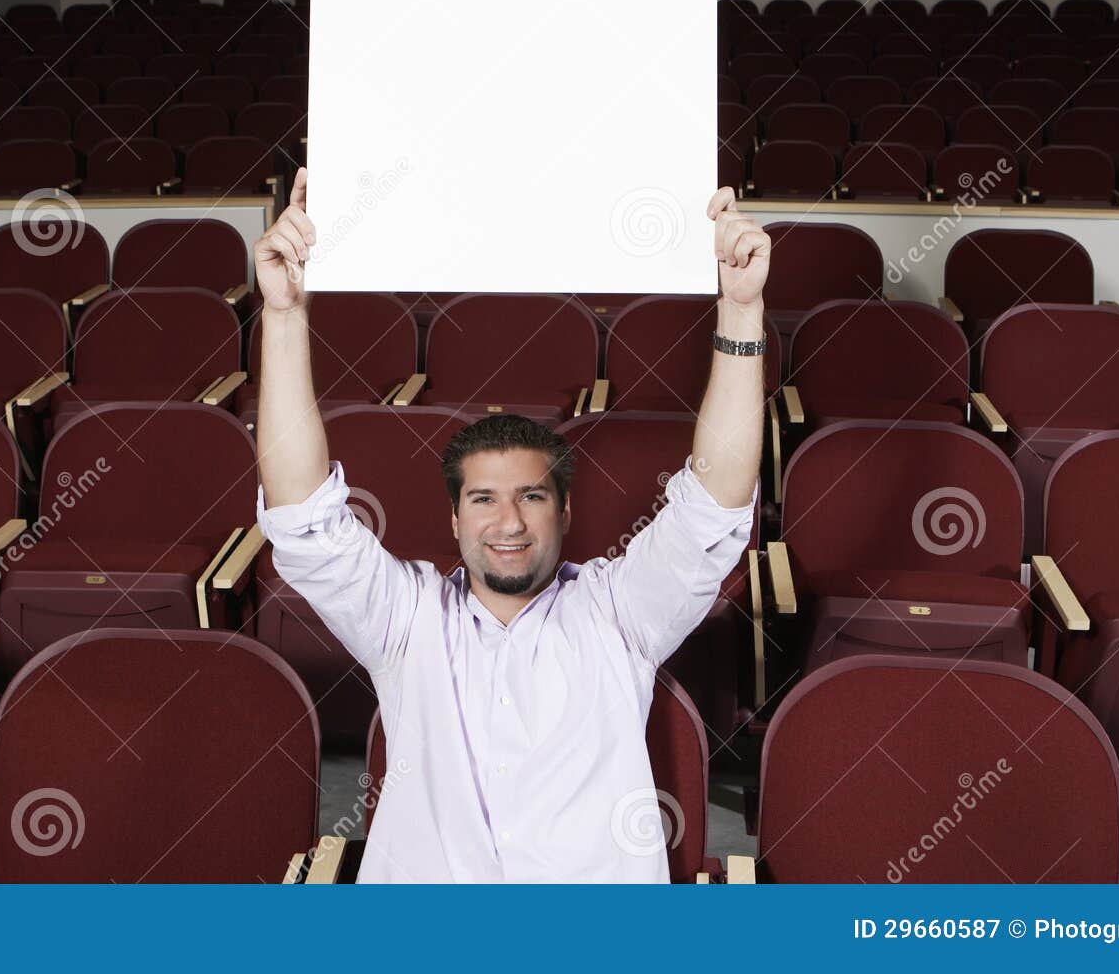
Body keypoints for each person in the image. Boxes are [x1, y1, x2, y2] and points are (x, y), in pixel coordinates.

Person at [254, 167, 769, 882]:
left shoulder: (619, 615)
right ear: (454, 518)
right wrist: (282, 314)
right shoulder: (405, 623)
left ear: (565, 512)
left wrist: (741, 310)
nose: (508, 522)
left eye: (531, 497)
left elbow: (714, 509)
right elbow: (301, 517)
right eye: (484, 500)